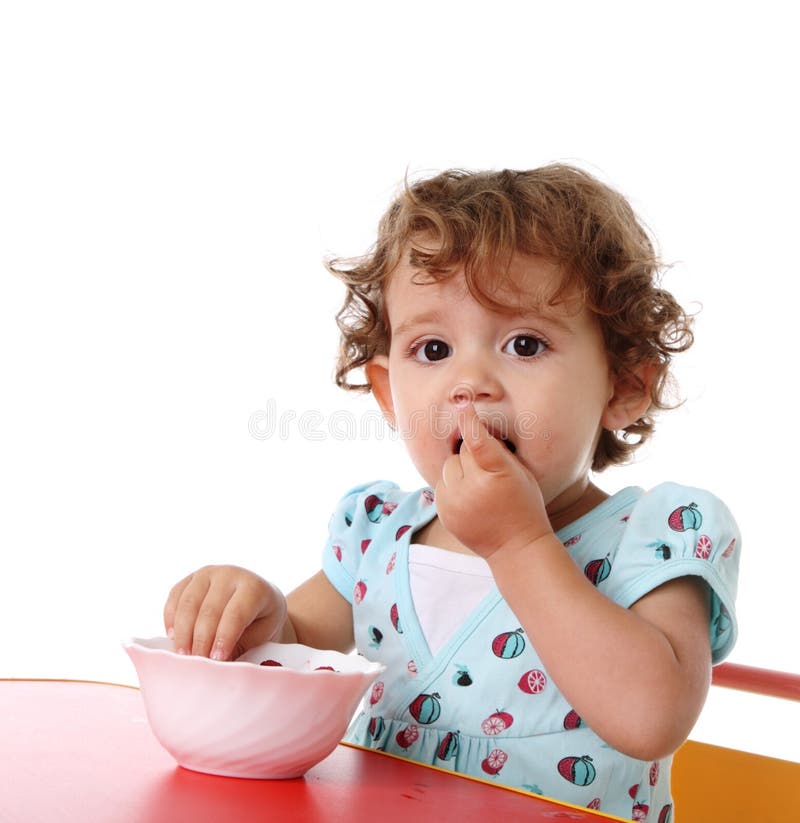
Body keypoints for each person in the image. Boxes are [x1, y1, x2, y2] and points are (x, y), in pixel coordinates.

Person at [163, 166, 740, 820]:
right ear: (388, 392)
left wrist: (518, 543)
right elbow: (294, 650)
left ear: (625, 384)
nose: (470, 382)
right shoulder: (376, 533)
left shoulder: (654, 534)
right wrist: (258, 617)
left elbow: (650, 715)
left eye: (524, 343)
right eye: (433, 347)